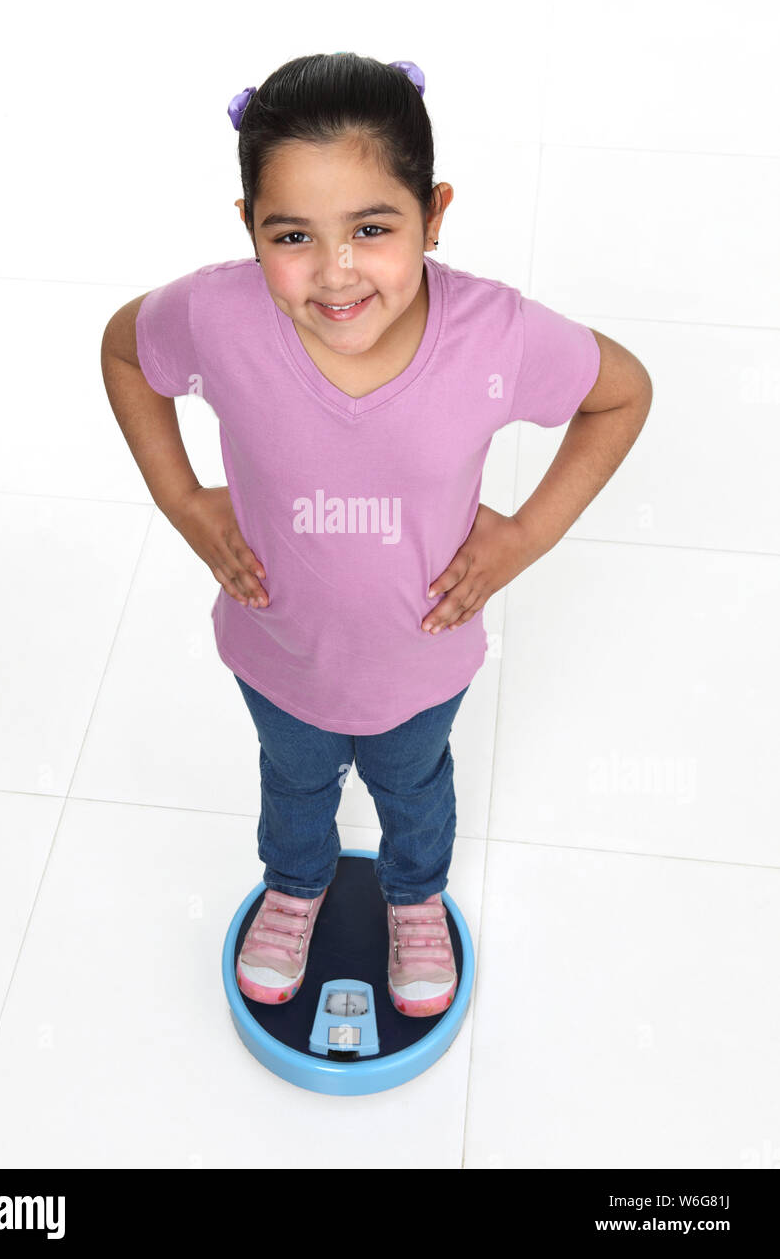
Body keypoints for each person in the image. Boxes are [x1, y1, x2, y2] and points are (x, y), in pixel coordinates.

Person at [101, 52, 652, 1018]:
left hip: (422, 664)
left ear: (433, 214)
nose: (335, 271)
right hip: (279, 657)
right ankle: (296, 885)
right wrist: (185, 502)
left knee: (415, 791)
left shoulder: (497, 337)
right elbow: (123, 351)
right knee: (294, 787)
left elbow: (621, 394)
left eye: (371, 227)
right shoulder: (220, 315)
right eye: (293, 235)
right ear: (249, 230)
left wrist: (521, 537)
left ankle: (414, 895)